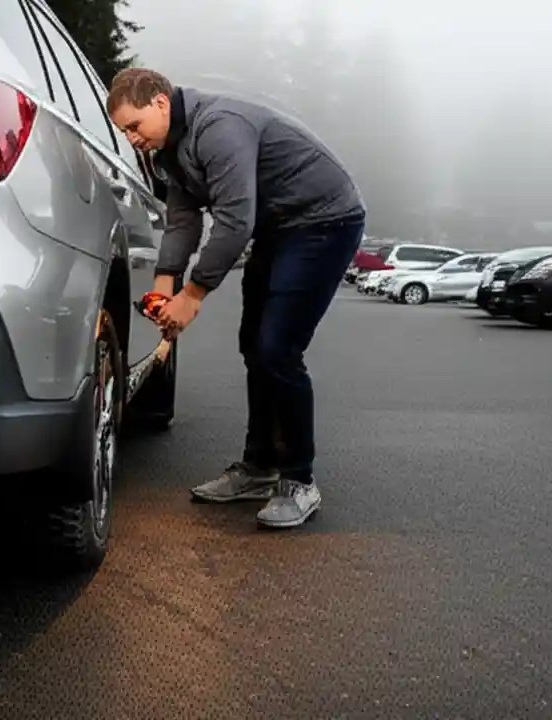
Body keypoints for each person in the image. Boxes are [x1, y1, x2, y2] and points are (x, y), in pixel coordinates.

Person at [106, 67, 366, 529]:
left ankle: (299, 481)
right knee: (254, 344)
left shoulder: (219, 127)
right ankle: (259, 467)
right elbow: (183, 220)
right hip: (279, 226)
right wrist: (164, 286)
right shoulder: (171, 151)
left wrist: (194, 293)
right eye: (124, 131)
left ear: (161, 103)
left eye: (134, 126)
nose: (131, 139)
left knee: (278, 348)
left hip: (324, 220)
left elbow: (234, 220)